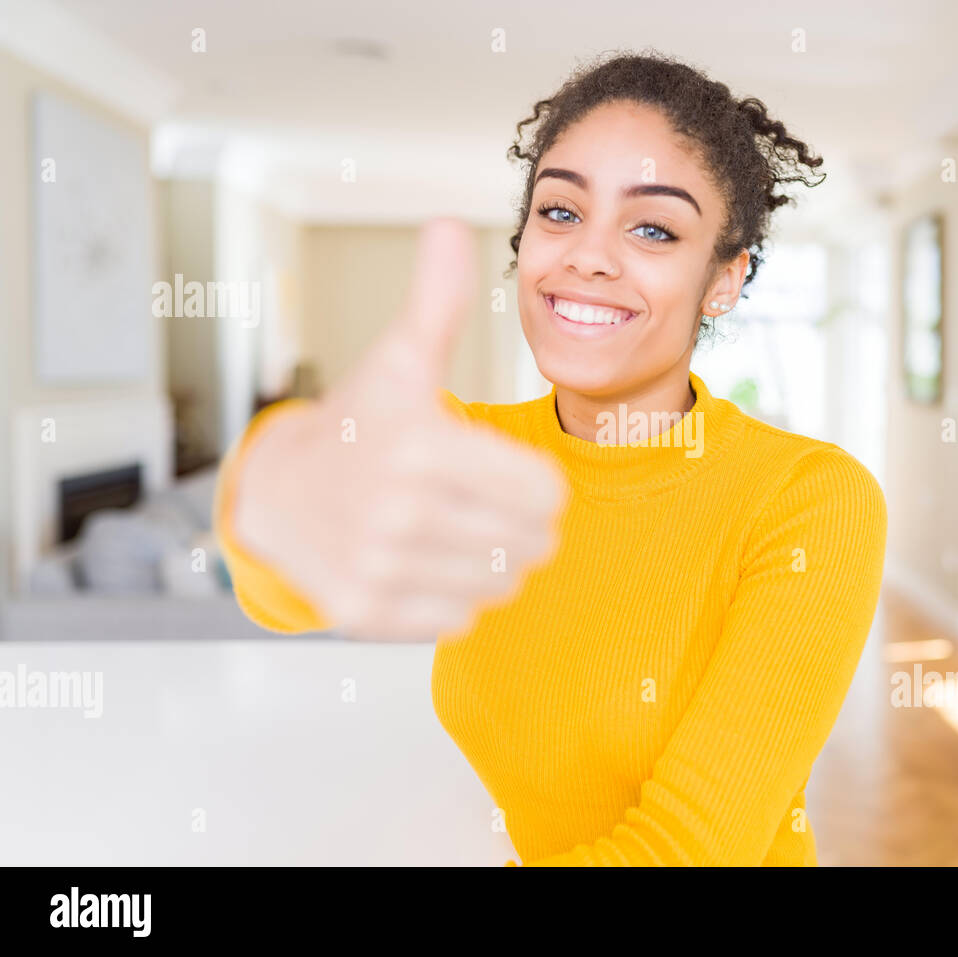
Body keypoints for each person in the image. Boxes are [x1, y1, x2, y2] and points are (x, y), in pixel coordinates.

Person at [214, 49, 887, 866]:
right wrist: (276, 488)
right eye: (561, 212)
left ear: (725, 279)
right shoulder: (471, 452)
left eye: (653, 228)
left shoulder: (808, 498)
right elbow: (279, 591)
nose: (587, 256)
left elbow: (688, 849)